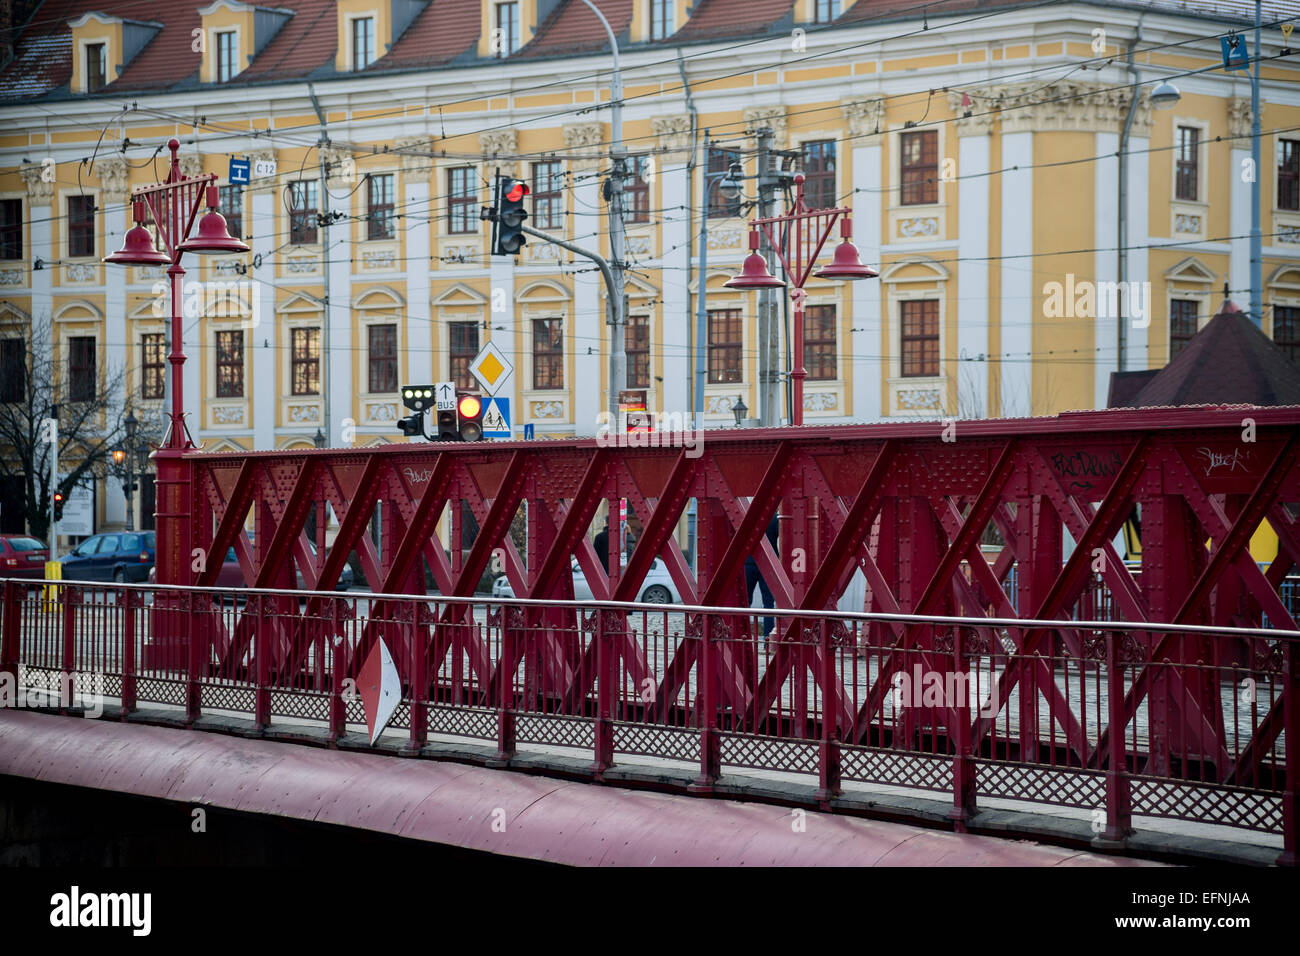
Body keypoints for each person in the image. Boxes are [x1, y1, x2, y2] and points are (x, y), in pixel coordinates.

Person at [745, 514, 779, 636]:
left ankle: (744, 636)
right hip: (768, 563)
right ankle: (767, 639)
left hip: (749, 562)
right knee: (768, 603)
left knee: (745, 602)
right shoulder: (774, 518)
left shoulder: (748, 517)